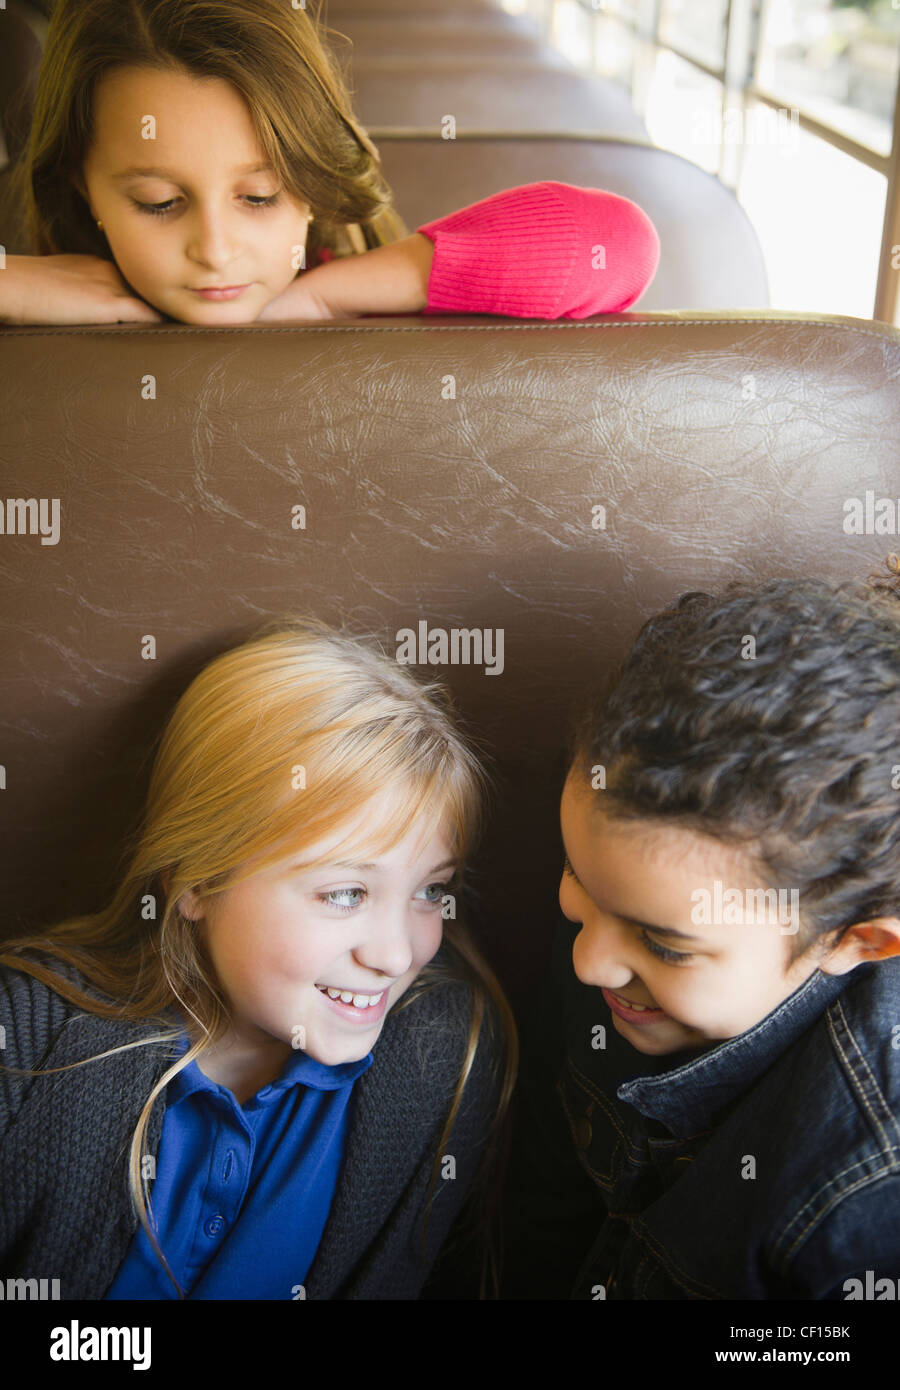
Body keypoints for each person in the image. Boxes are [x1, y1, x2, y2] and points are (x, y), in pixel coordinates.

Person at [0, 618, 517, 1299]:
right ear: (196, 882)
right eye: (345, 893)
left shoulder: (442, 1058)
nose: (396, 954)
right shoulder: (27, 1040)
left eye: (430, 891)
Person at [500, 566, 900, 1299]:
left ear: (855, 942)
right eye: (577, 882)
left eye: (666, 946)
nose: (590, 961)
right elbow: (545, 1192)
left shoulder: (872, 1175)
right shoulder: (618, 934)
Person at [0, 0, 660, 326]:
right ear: (82, 186)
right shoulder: (35, 290)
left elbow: (622, 244)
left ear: (313, 183)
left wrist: (318, 294)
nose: (217, 250)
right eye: (159, 203)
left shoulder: (348, 287)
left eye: (259, 197)